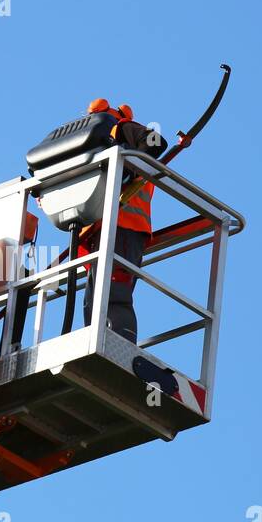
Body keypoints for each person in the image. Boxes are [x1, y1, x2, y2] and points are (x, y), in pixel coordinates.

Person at [79, 99, 168, 344]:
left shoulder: (122, 128)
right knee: (94, 299)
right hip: (105, 230)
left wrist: (129, 168)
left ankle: (119, 346)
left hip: (125, 227)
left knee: (114, 293)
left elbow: (156, 142)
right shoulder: (93, 147)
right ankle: (97, 343)